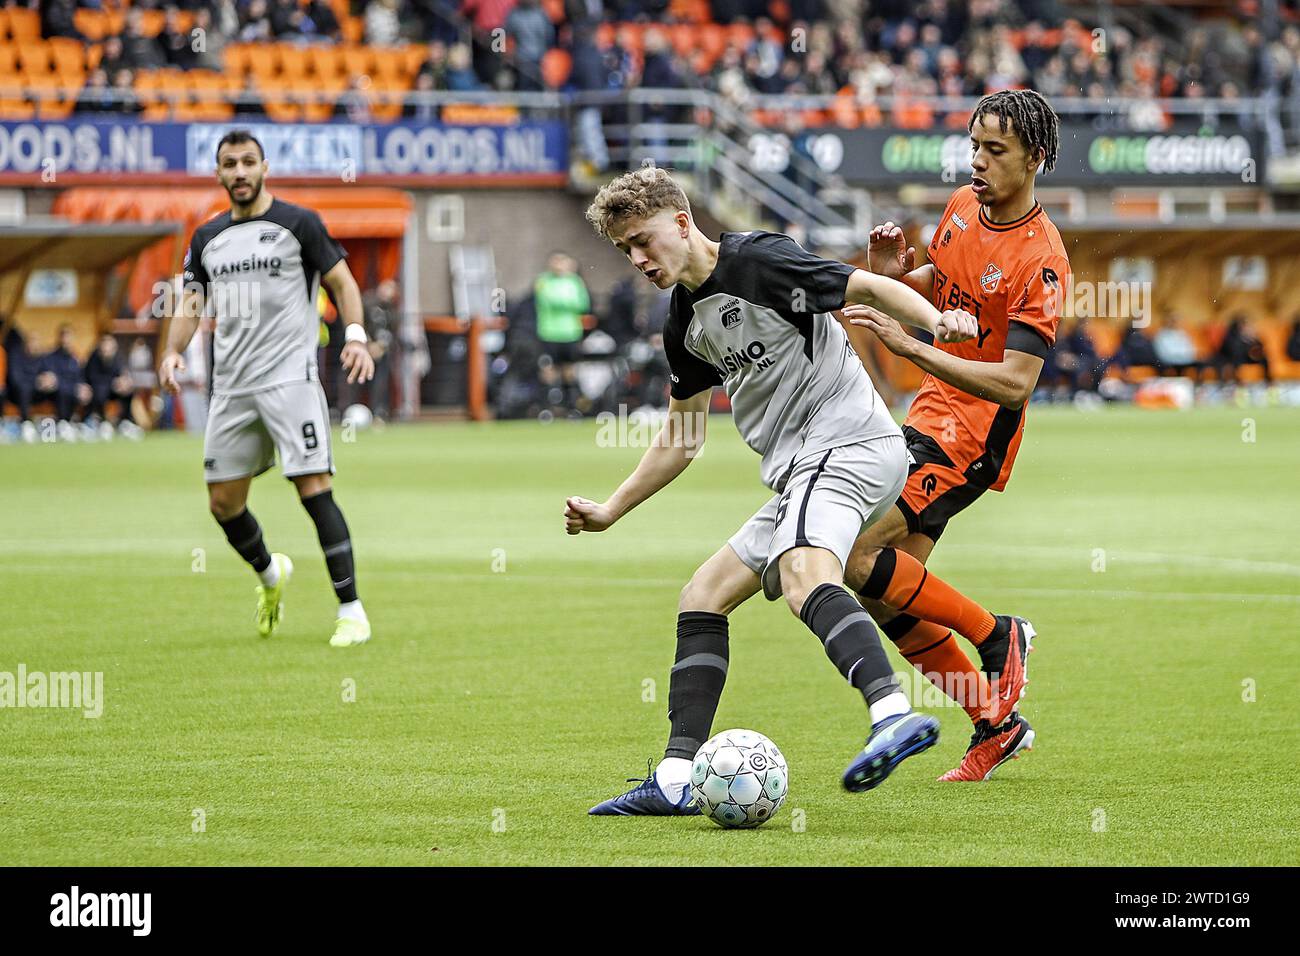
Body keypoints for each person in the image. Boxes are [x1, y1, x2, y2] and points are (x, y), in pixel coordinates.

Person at [568, 167, 1030, 813]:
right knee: (702, 594)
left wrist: (936, 319)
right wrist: (612, 509)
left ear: (681, 221)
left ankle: (892, 713)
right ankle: (675, 781)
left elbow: (863, 284)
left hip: (850, 445)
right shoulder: (685, 323)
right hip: (801, 472)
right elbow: (682, 437)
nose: (639, 259)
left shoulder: (757, 258)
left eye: (643, 240)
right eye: (625, 251)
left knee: (805, 573)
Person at [838, 89, 1070, 781]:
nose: (978, 161)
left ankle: (998, 634)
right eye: (974, 145)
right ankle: (994, 725)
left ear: (1036, 157)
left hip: (973, 429)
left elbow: (1015, 382)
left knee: (853, 554)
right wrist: (889, 277)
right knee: (882, 592)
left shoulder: (1042, 261)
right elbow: (940, 284)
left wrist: (912, 350)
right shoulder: (963, 206)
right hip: (931, 413)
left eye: (995, 151)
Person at [158, 130, 377, 648]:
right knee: (223, 504)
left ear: (264, 167)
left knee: (313, 486)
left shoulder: (299, 223)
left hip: (289, 380)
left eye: (247, 162)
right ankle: (270, 575)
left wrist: (357, 335)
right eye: (229, 163)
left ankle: (351, 610)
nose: (239, 172)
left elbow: (342, 282)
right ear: (218, 173)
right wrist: (170, 352)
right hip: (231, 389)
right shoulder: (206, 237)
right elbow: (191, 301)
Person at [533, 253, 590, 413]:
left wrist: (566, 302)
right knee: (549, 370)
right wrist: (567, 302)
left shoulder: (575, 281)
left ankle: (571, 407)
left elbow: (582, 304)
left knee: (569, 370)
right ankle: (546, 408)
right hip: (549, 333)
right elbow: (548, 300)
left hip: (570, 333)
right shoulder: (543, 281)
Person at [84, 332, 143, 439]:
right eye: (104, 344)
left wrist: (124, 381)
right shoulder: (94, 357)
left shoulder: (118, 357)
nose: (107, 348)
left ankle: (124, 422)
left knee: (128, 391)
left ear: (114, 346)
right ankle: (102, 423)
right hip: (97, 389)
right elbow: (92, 378)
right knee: (100, 392)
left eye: (109, 344)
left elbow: (123, 372)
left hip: (113, 390)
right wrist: (112, 382)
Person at [35, 325, 86, 440]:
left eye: (69, 337)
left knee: (83, 392)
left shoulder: (75, 359)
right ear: (59, 338)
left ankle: (83, 424)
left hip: (71, 391)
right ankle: (63, 423)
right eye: (64, 337)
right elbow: (47, 379)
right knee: (63, 390)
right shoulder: (50, 357)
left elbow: (79, 378)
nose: (66, 340)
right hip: (52, 394)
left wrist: (83, 387)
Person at [1215, 314, 1273, 385]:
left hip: (1249, 357)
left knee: (1264, 359)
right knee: (1236, 360)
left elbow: (1260, 347)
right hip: (1236, 358)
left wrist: (1254, 339)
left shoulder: (1251, 335)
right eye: (1245, 325)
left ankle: (1268, 382)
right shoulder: (1233, 336)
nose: (1248, 327)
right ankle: (1238, 383)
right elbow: (1233, 350)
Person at [1152, 313, 1203, 380]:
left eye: (1176, 321)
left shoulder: (1182, 334)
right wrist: (1183, 356)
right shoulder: (1161, 335)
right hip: (1169, 361)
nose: (1174, 323)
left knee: (1202, 364)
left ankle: (1196, 384)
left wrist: (1188, 355)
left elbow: (1190, 348)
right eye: (1172, 320)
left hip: (1185, 360)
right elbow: (1164, 353)